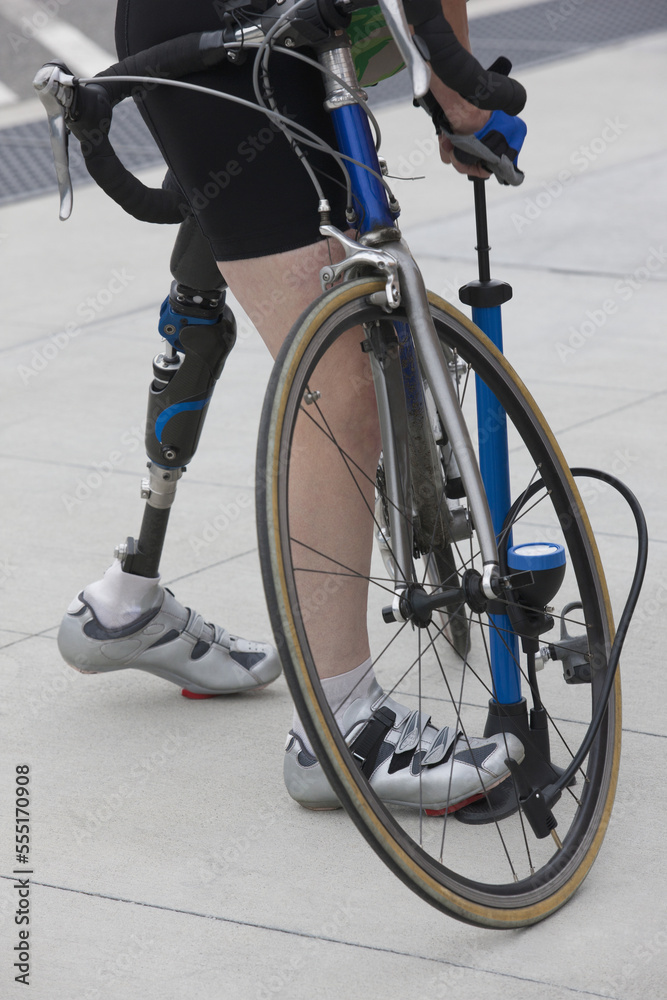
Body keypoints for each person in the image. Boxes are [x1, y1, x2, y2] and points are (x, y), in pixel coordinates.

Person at [58, 0, 526, 813]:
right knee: (339, 374)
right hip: (227, 38)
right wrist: (459, 97)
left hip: (286, 35)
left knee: (281, 296)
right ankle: (337, 727)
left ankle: (129, 594)